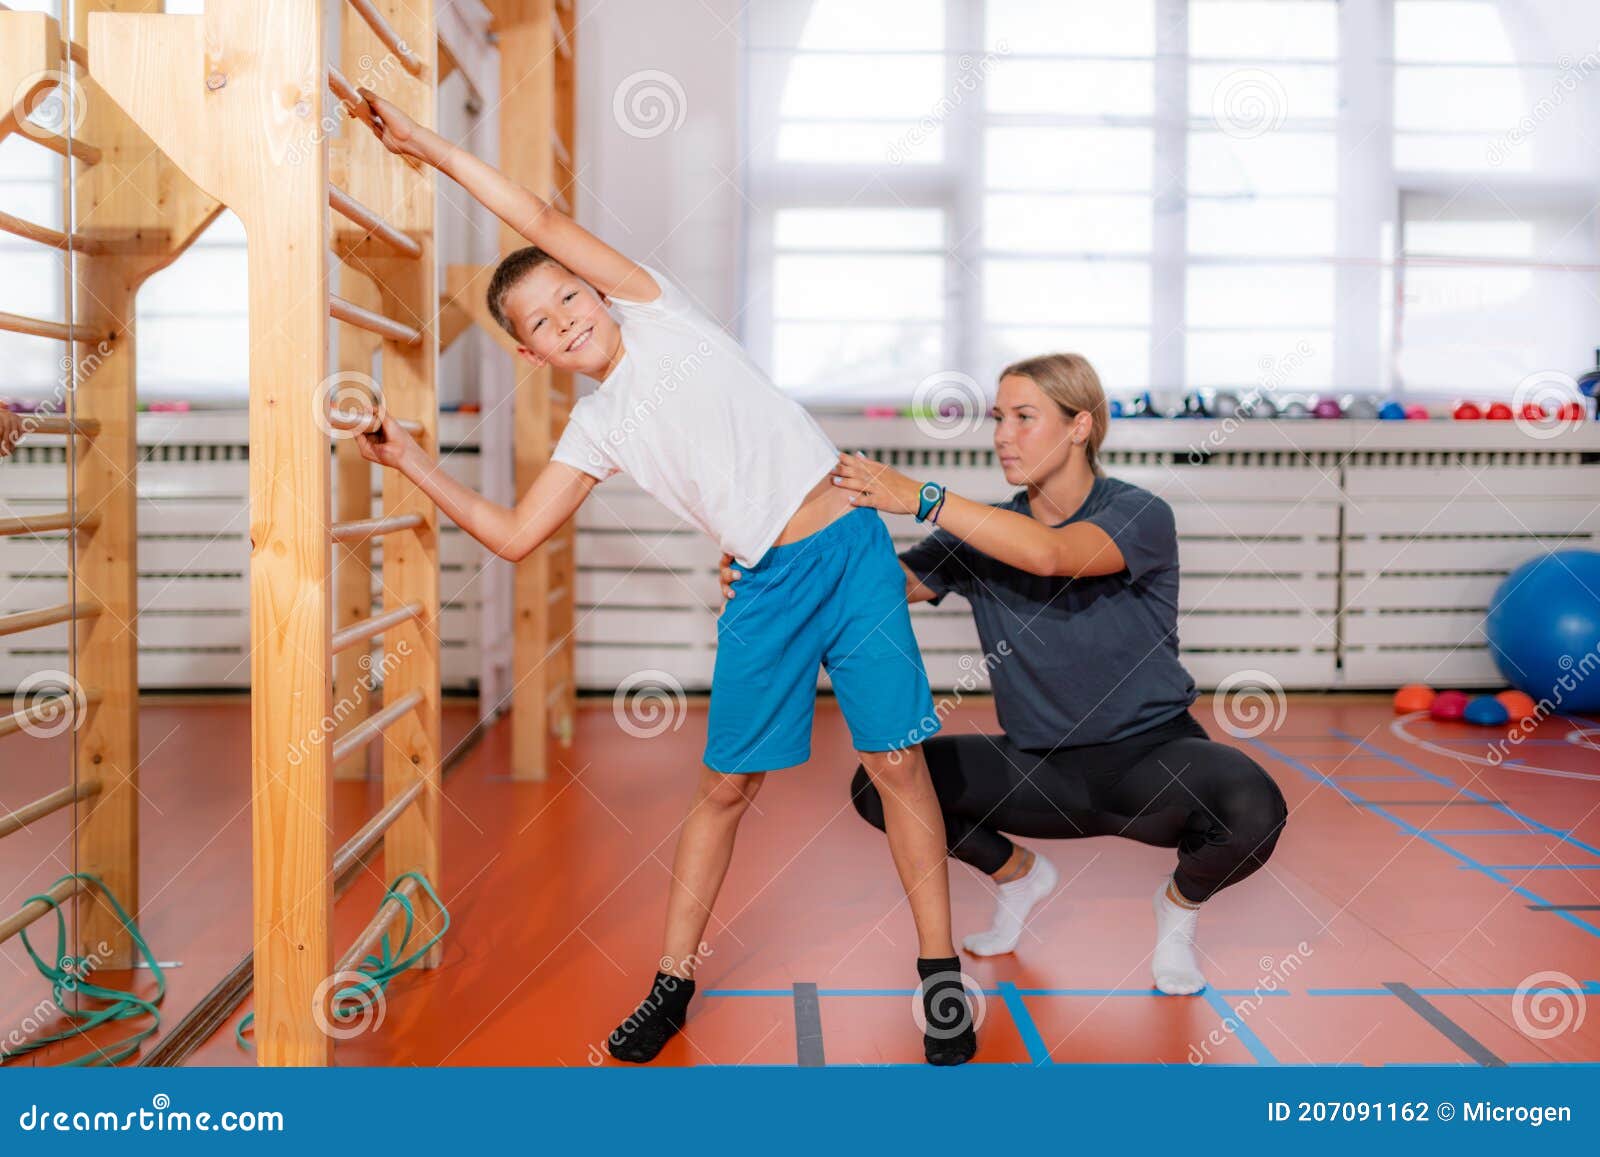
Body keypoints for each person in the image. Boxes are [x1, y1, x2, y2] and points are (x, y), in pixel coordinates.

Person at [351, 91, 977, 1064]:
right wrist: (410, 461)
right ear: (528, 352)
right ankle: (672, 980)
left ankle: (940, 974)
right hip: (766, 587)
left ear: (600, 291)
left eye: (570, 296)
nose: (565, 318)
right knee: (724, 790)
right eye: (540, 322)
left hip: (851, 549)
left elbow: (541, 218)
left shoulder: (659, 314)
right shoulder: (594, 426)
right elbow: (513, 535)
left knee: (897, 764)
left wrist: (426, 144)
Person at [721, 353, 1288, 995]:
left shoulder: (1140, 514)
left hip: (1150, 763)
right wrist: (764, 574)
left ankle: (1178, 910)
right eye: (997, 418)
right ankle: (1019, 875)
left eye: (1024, 417)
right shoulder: (979, 534)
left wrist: (922, 497)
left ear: (1080, 426)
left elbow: (1051, 555)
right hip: (1041, 770)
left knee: (1254, 807)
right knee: (879, 787)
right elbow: (868, 590)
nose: (1002, 435)